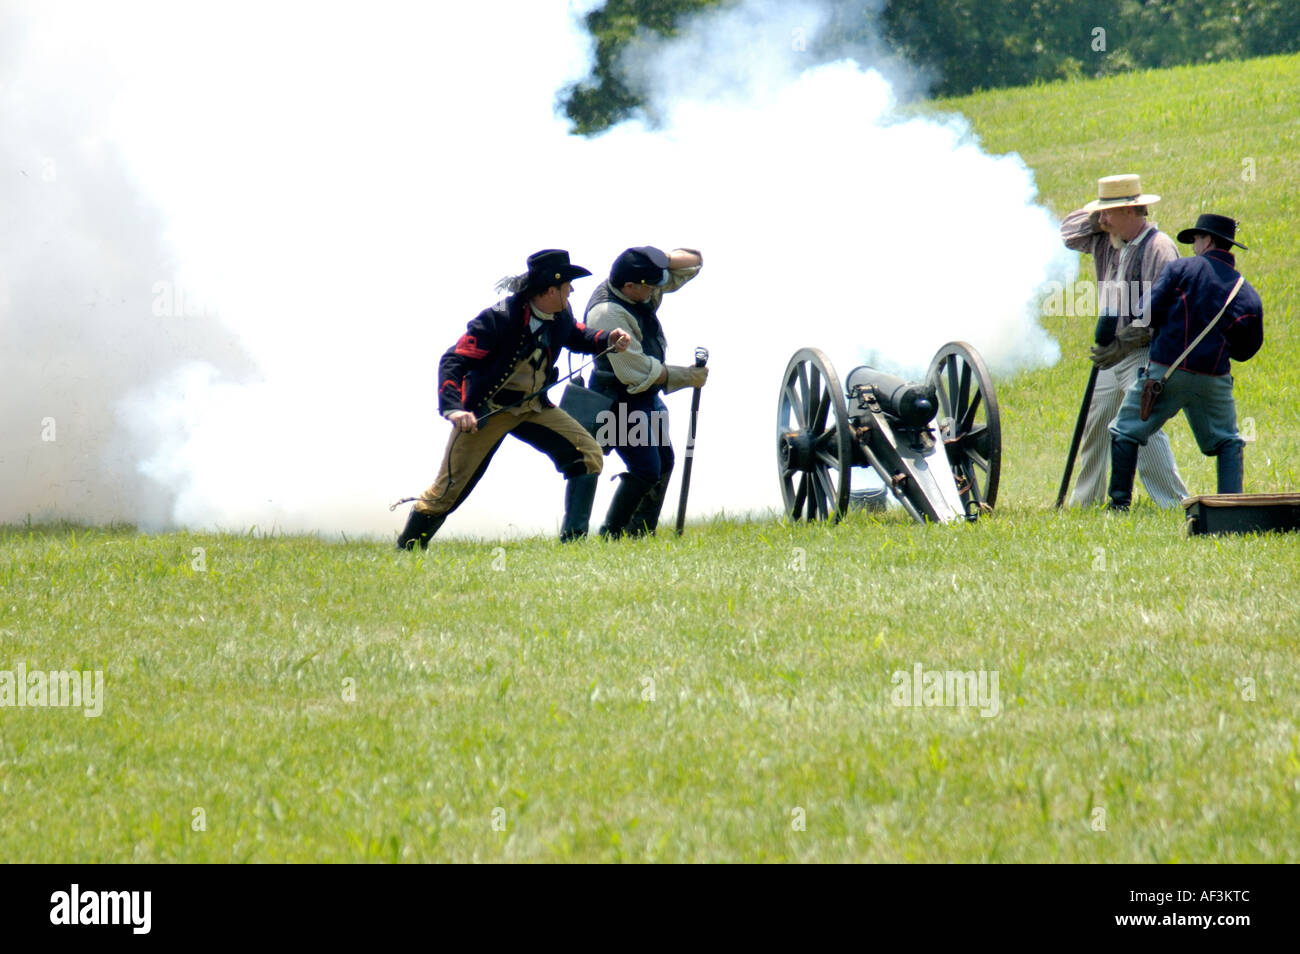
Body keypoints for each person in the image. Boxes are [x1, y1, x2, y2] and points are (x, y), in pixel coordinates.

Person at [396, 249, 630, 549]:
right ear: (550, 290)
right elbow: (454, 360)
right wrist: (454, 410)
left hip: (533, 407)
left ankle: (574, 546)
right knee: (447, 492)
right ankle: (408, 548)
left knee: (589, 455)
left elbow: (577, 334)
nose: (572, 290)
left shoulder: (561, 314)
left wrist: (607, 339)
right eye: (567, 285)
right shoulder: (498, 319)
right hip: (488, 411)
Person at [1107, 214, 1263, 510]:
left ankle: (1118, 508)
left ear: (1208, 241)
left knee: (1124, 430)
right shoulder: (1246, 291)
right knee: (1228, 442)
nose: (1194, 246)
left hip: (1166, 372)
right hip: (1214, 379)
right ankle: (1231, 511)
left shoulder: (1180, 270)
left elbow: (1146, 312)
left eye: (1196, 239)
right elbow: (1246, 350)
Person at [559, 246, 707, 540]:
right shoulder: (607, 313)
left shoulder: (637, 286)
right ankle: (614, 534)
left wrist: (658, 260)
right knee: (646, 469)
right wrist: (688, 377)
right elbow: (637, 371)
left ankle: (639, 533)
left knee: (664, 460)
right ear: (630, 286)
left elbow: (692, 263)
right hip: (618, 399)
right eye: (651, 286)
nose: (657, 291)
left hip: (643, 396)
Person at [1061, 174, 1189, 507]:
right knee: (1096, 427)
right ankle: (1083, 502)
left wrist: (1126, 343)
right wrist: (1099, 216)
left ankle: (1173, 502)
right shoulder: (1107, 239)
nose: (1102, 220)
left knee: (1142, 427)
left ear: (1132, 211)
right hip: (1111, 355)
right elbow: (1068, 234)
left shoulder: (1159, 248)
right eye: (1100, 213)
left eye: (1109, 212)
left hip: (1142, 352)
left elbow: (1166, 311)